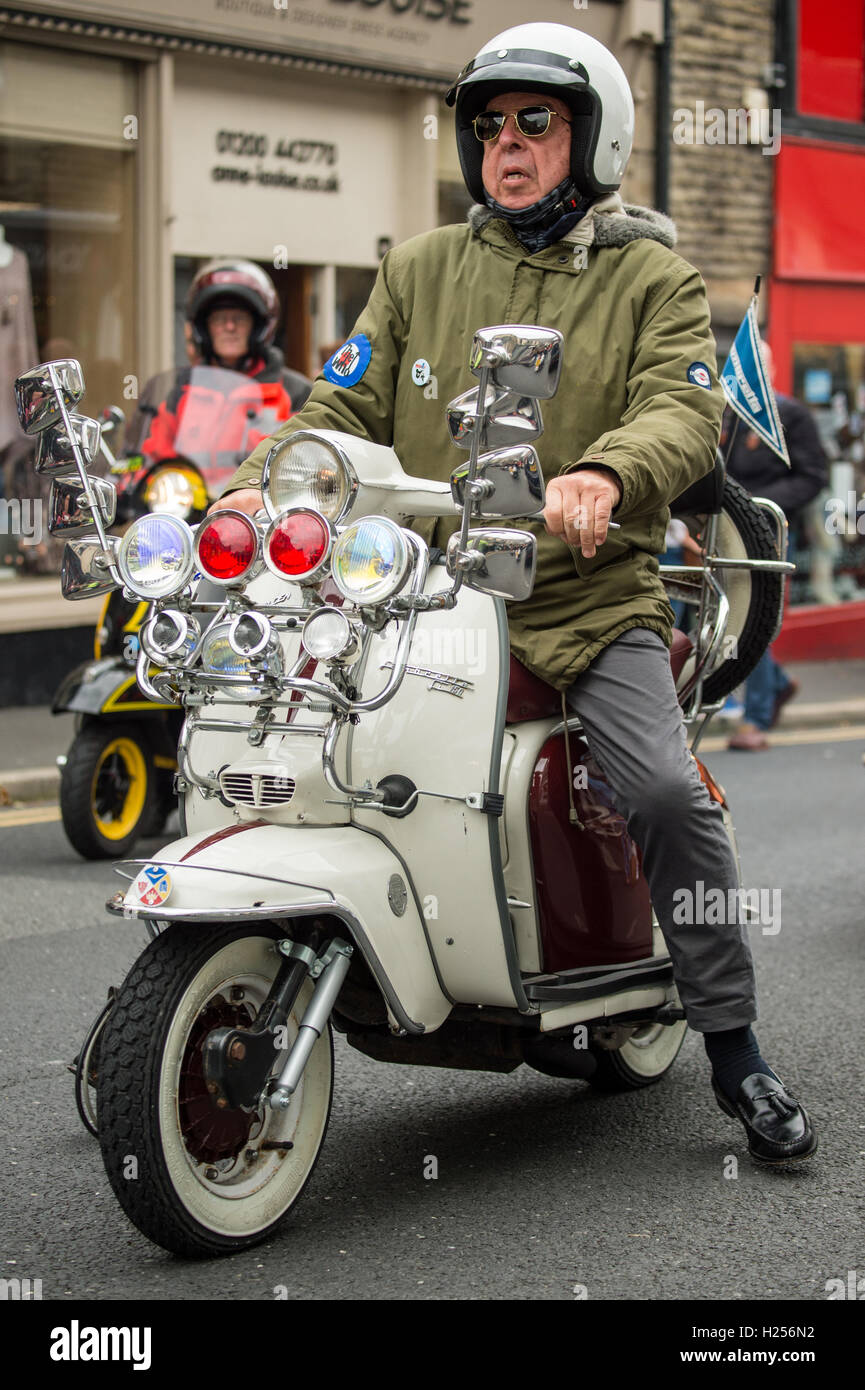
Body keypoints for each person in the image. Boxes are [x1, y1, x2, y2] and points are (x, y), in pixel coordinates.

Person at [213, 23, 816, 1166]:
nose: (507, 143)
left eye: (535, 120)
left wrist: (604, 474)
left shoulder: (653, 277)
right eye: (489, 124)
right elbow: (336, 413)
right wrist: (248, 492)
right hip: (417, 595)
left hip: (584, 605)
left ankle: (733, 1045)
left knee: (664, 794)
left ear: (590, 137)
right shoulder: (419, 269)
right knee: (265, 733)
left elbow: (683, 415)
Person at [724, 349, 828, 750]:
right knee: (730, 618)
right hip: (727, 531)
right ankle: (778, 684)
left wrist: (755, 502)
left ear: (771, 369)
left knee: (755, 620)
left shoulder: (792, 415)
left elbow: (813, 477)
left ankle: (756, 719)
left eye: (755, 366)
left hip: (769, 531)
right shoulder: (728, 415)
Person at [134, 259, 312, 467]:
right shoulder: (179, 390)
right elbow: (148, 457)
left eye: (239, 318)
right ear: (203, 328)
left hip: (258, 498)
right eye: (219, 319)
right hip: (189, 498)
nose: (229, 327)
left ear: (258, 326)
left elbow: (306, 461)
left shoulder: (295, 392)